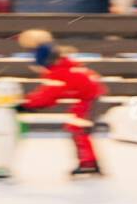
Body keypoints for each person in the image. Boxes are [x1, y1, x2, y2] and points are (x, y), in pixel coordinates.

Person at [15, 29, 108, 177]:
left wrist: (27, 105)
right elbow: (48, 93)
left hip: (90, 98)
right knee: (77, 128)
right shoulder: (65, 66)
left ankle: (88, 164)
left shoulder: (59, 73)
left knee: (79, 129)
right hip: (88, 97)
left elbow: (48, 95)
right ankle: (88, 162)